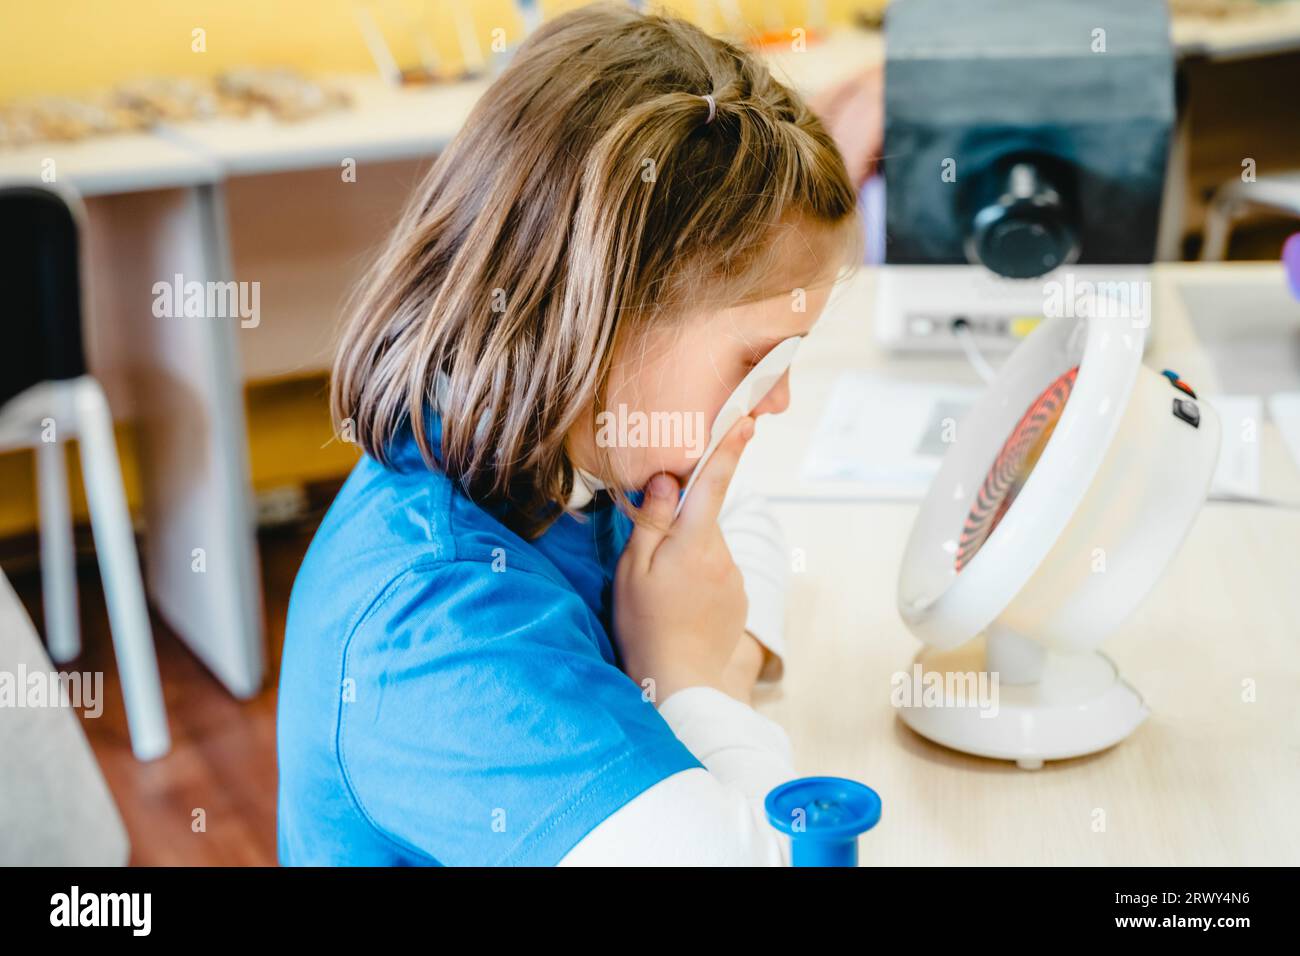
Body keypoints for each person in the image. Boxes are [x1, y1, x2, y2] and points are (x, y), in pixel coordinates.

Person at [276, 3, 859, 865]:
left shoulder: (567, 445)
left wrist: (694, 652)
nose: (773, 406)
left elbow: (747, 526)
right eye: (757, 364)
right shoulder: (434, 636)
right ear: (604, 325)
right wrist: (689, 676)